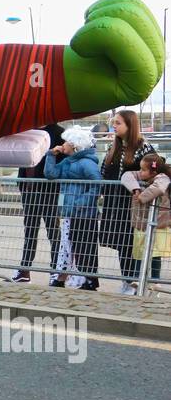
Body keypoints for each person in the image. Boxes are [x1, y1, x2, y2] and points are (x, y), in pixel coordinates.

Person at [100, 109, 157, 295]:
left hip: (135, 205)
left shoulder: (144, 147)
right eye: (113, 122)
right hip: (114, 204)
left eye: (118, 123)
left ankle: (139, 282)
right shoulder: (113, 147)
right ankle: (127, 281)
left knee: (136, 244)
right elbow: (103, 171)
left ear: (129, 125)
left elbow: (157, 168)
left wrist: (142, 184)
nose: (113, 126)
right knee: (121, 242)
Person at [44, 126, 102, 290]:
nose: (63, 144)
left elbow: (96, 185)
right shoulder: (67, 161)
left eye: (67, 142)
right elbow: (51, 174)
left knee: (83, 245)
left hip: (83, 213)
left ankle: (87, 279)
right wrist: (51, 155)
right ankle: (63, 277)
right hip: (70, 211)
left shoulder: (86, 163)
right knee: (68, 244)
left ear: (75, 145)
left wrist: (80, 203)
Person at [9, 123, 64, 283]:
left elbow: (62, 160)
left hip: (49, 191)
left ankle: (55, 271)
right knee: (30, 232)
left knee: (53, 232)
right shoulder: (26, 129)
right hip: (29, 190)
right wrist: (22, 184)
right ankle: (24, 270)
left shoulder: (58, 132)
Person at [124, 154, 171, 287]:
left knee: (155, 253)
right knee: (139, 251)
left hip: (158, 223)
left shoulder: (163, 178)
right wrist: (135, 188)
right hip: (141, 223)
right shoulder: (143, 176)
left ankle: (155, 279)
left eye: (143, 170)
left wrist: (141, 197)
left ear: (153, 172)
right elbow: (126, 176)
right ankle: (138, 278)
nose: (140, 172)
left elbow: (158, 188)